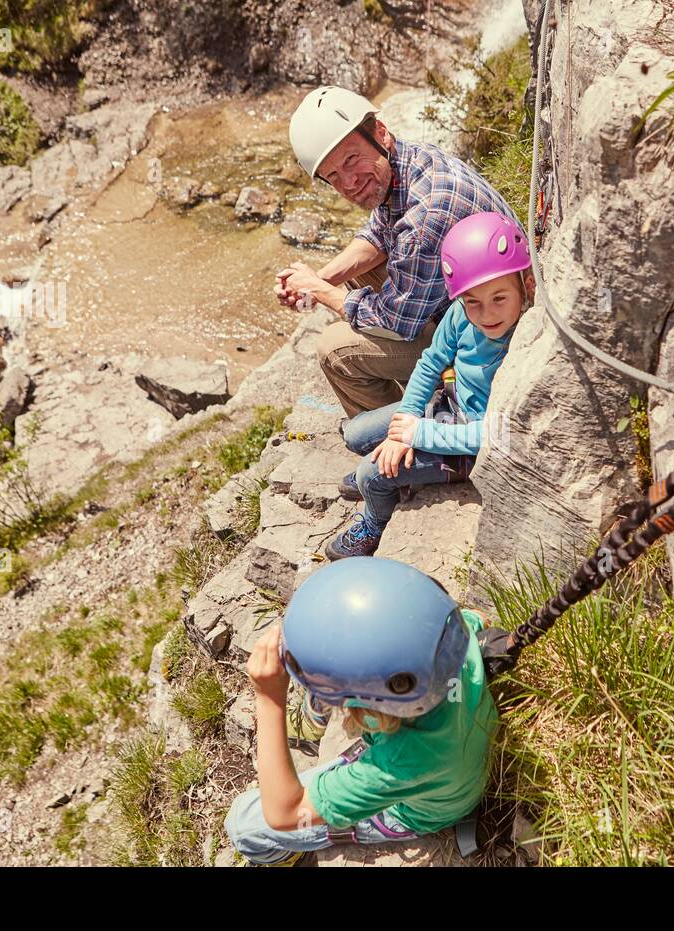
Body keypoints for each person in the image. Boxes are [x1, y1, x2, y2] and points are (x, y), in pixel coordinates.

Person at [223, 556, 498, 866]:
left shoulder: (397, 761)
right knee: (333, 672)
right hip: (451, 761)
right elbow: (479, 618)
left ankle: (285, 855)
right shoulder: (454, 639)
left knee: (243, 825)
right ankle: (311, 726)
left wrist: (269, 699)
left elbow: (284, 814)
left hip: (415, 809)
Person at [274, 86, 522, 419]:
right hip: (477, 299)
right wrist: (319, 278)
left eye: (351, 159)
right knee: (359, 269)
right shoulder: (408, 161)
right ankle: (416, 404)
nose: (349, 183)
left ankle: (405, 440)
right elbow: (378, 234)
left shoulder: (425, 216)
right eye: (333, 175)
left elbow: (395, 322)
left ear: (380, 133)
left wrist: (320, 291)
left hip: (492, 332)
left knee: (334, 350)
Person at [324, 211, 534, 561]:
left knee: (372, 475)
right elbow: (432, 361)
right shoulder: (459, 314)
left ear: (526, 285)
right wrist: (404, 422)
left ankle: (374, 523)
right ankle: (382, 477)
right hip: (450, 408)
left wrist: (418, 435)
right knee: (356, 434)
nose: (486, 314)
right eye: (473, 303)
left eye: (500, 299)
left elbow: (501, 434)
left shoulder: (526, 343)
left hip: (475, 446)